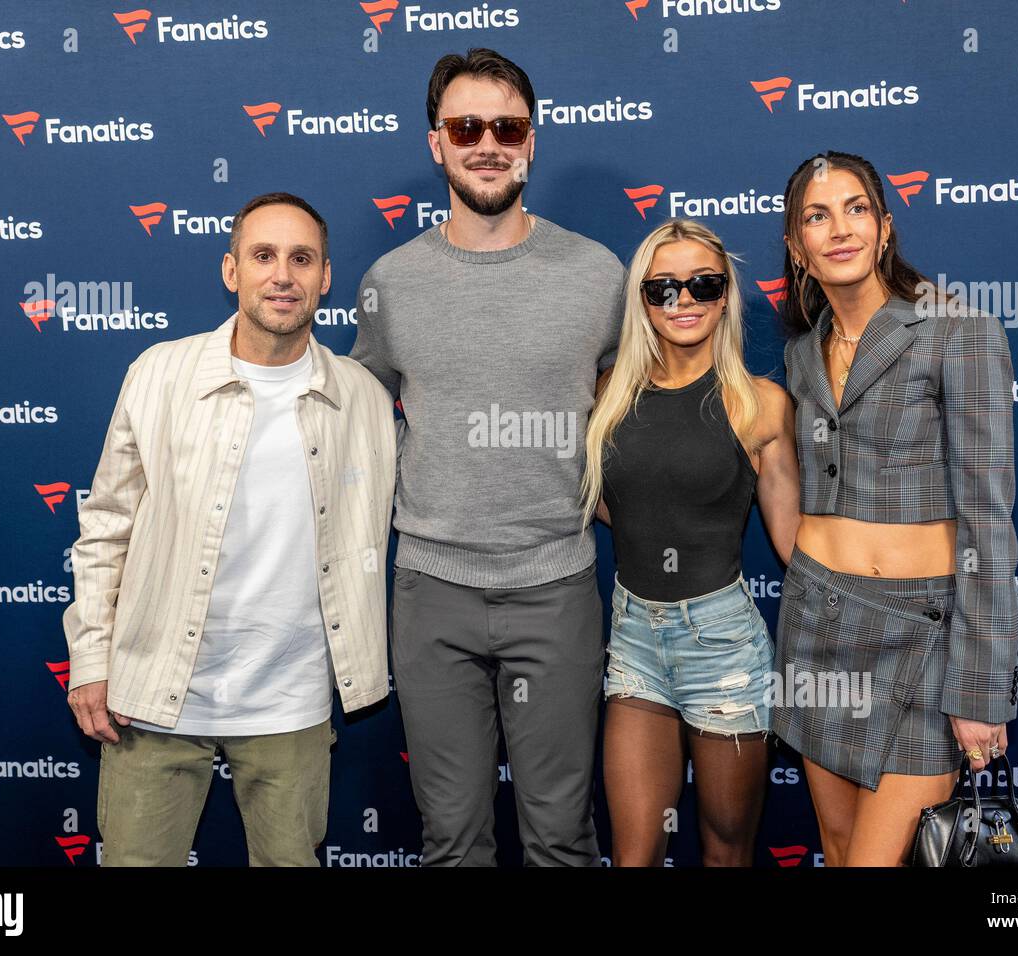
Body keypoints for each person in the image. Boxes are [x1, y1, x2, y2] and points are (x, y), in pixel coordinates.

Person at [63, 192, 397, 867]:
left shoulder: (360, 396)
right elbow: (105, 528)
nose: (283, 276)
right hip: (153, 700)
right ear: (231, 270)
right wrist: (92, 658)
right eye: (263, 256)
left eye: (302, 259)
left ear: (325, 278)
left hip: (291, 706)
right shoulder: (159, 374)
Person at [349, 48, 624, 866]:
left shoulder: (597, 275)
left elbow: (635, 416)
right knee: (453, 840)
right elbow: (360, 418)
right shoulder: (390, 283)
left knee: (561, 839)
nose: (487, 144)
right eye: (466, 126)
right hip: (431, 592)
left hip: (557, 588)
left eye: (506, 127)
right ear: (436, 143)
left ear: (531, 141)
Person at [771, 151, 1018, 866]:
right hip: (816, 626)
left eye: (855, 209)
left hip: (921, 636)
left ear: (885, 228)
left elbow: (989, 523)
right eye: (816, 216)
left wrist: (979, 686)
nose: (838, 228)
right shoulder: (801, 354)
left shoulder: (957, 331)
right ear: (797, 247)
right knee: (842, 850)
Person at [581, 219, 800, 866]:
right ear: (641, 299)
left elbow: (793, 544)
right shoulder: (609, 394)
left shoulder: (760, 405)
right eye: (663, 287)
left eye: (702, 284)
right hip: (633, 641)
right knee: (635, 854)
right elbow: (605, 500)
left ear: (726, 294)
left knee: (727, 850)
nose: (683, 301)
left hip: (724, 644)